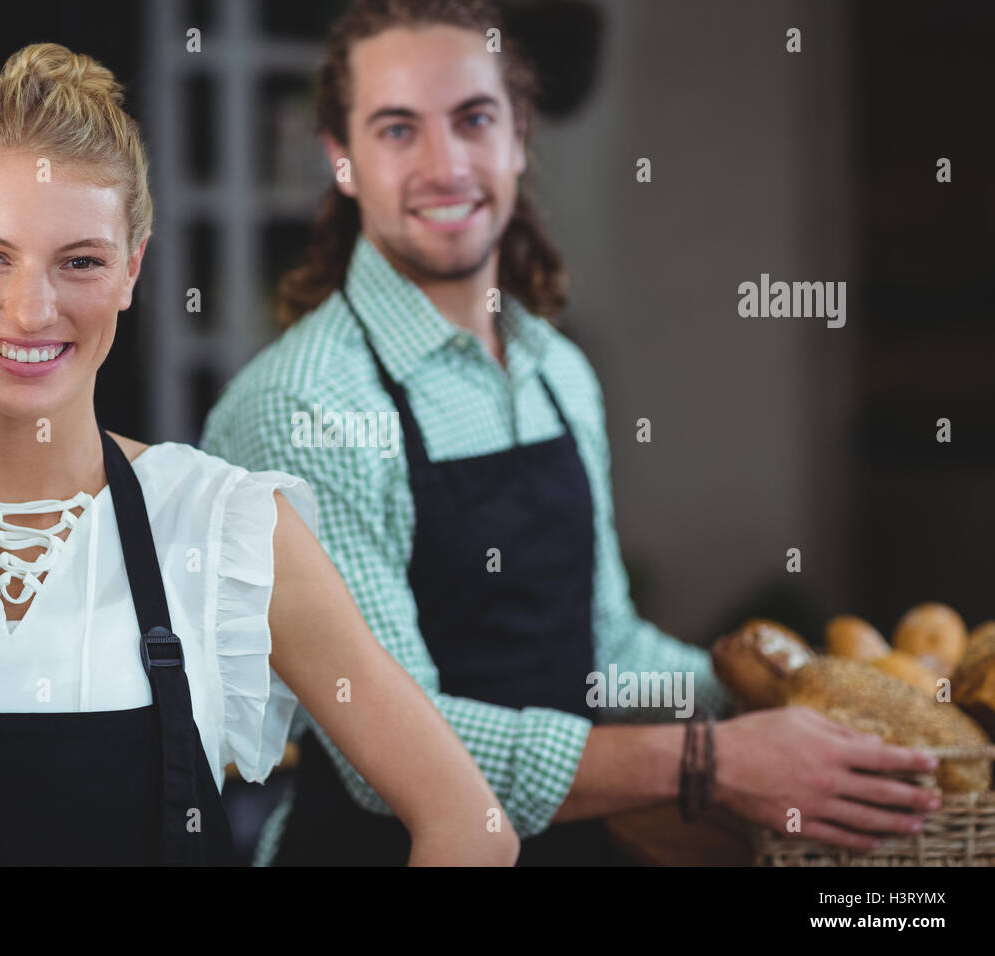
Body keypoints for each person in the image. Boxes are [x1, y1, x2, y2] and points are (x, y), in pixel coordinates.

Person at [200, 0, 943, 865]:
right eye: (398, 130)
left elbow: (607, 647)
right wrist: (713, 760)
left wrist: (798, 698)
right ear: (342, 159)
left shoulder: (556, 372)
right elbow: (391, 757)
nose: (446, 166)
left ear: (518, 135)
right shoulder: (304, 403)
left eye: (474, 120)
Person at [0, 42, 520, 867]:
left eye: (80, 262)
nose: (30, 309)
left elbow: (468, 826)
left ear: (133, 268)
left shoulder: (229, 533)